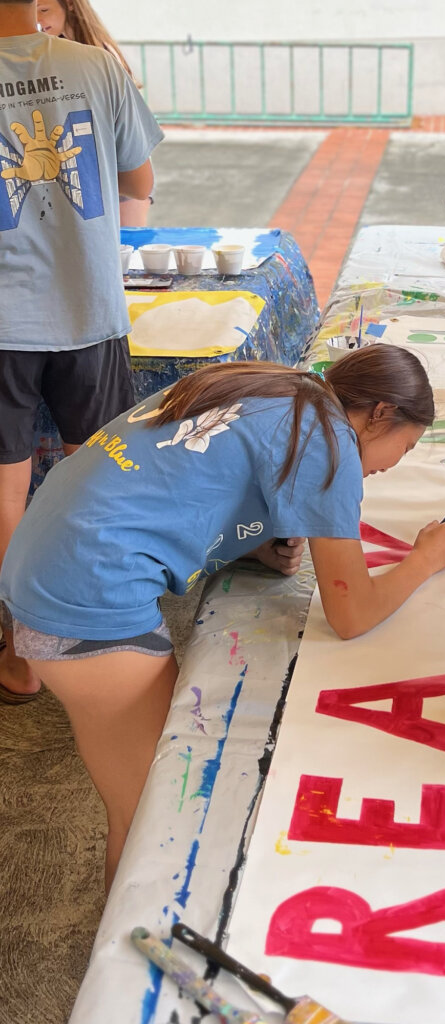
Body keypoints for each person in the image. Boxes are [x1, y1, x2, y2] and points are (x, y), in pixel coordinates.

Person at [0, 346, 445, 889]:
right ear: (381, 414)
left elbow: (175, 479)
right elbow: (352, 613)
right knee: (158, 813)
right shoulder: (328, 439)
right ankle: (134, 951)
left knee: (137, 786)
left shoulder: (276, 386)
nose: (386, 467)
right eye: (402, 450)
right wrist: (425, 561)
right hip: (85, 596)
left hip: (44, 555)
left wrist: (253, 546)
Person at [0, 0, 162, 701]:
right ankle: (96, 639)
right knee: (94, 483)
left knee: (4, 494)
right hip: (90, 309)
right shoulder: (94, 66)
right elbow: (139, 184)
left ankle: (23, 659)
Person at [35, 0, 152, 226]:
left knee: (126, 247)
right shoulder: (47, 54)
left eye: (44, 10)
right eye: (33, 13)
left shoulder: (99, 57)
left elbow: (128, 132)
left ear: (69, 4)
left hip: (117, 167)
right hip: (79, 171)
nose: (39, 21)